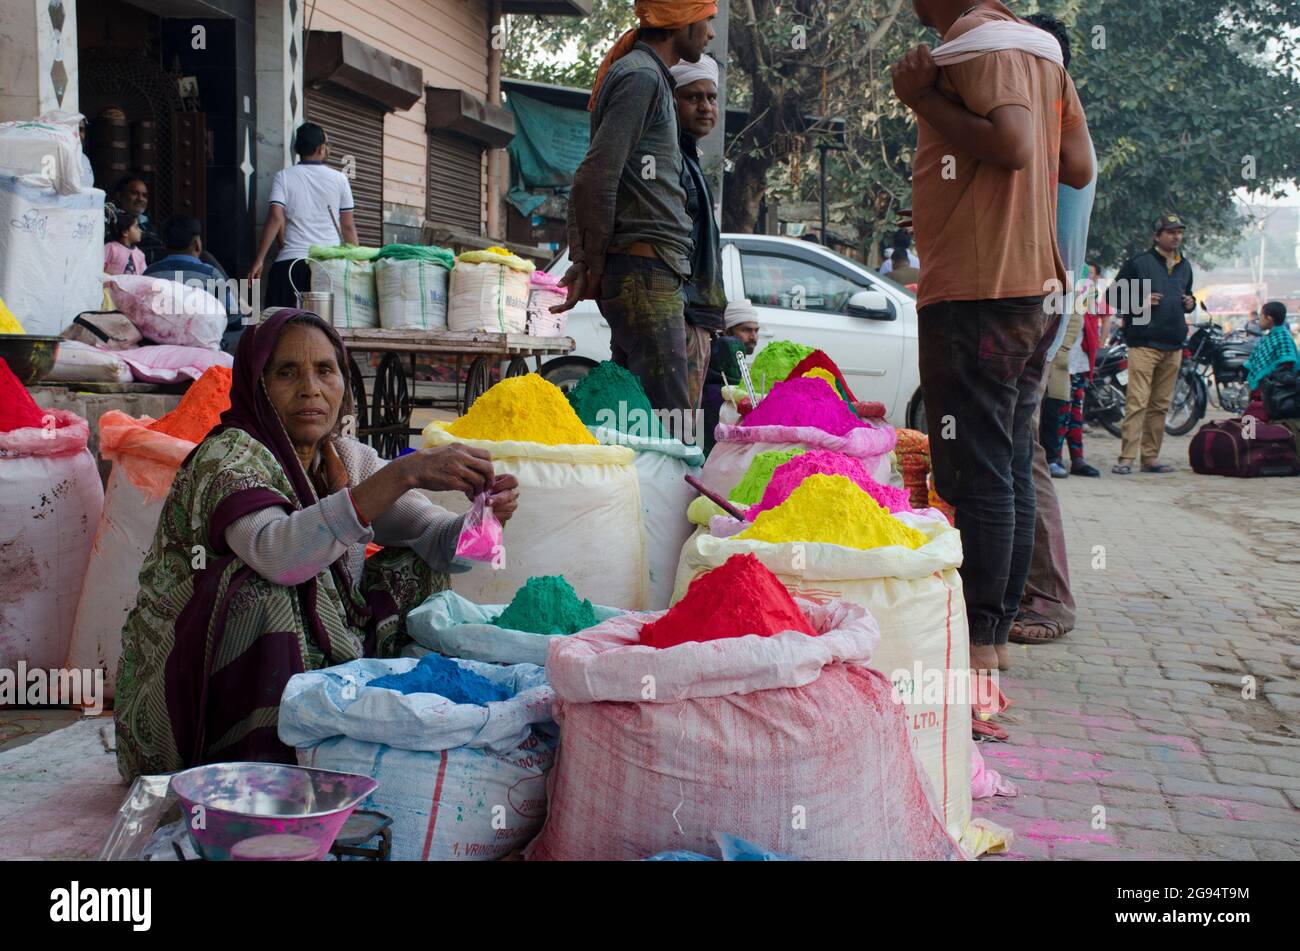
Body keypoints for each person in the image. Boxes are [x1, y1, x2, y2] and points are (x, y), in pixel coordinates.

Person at [113, 309, 520, 780]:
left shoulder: (345, 459)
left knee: (416, 566)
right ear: (256, 383)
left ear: (343, 383)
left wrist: (484, 518)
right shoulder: (228, 456)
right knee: (262, 592)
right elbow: (278, 555)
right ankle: (258, 770)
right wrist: (404, 471)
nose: (311, 388)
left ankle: (361, 736)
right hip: (187, 695)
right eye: (287, 372)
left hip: (307, 662)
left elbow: (440, 545)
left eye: (325, 370)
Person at [892, 0, 1093, 672]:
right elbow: (1078, 164)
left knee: (976, 472)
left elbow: (1012, 145)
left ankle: (980, 646)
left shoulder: (977, 44)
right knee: (1005, 463)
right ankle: (994, 638)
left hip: (980, 289)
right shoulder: (1040, 50)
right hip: (1035, 288)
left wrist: (924, 98)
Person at [554, 0, 717, 430]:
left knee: (635, 418)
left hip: (651, 270)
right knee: (673, 423)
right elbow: (595, 175)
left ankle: (636, 497)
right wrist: (588, 261)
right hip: (644, 273)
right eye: (707, 20)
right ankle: (678, 496)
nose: (711, 33)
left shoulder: (648, 76)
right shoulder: (642, 76)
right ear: (681, 19)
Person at [1010, 10, 1096, 648]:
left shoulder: (1055, 126)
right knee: (1014, 448)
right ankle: (1027, 588)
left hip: (1034, 305)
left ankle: (1047, 594)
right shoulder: (1055, 123)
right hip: (1038, 302)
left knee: (1021, 450)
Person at [1106, 214, 1196, 474]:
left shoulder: (1185, 266)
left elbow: (1186, 297)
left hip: (1174, 344)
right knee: (1137, 401)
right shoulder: (1138, 263)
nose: (1176, 236)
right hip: (1144, 342)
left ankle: (1150, 458)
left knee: (1160, 405)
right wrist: (1140, 303)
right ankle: (1126, 459)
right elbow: (1112, 295)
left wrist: (1188, 303)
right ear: (1157, 236)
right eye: (1170, 232)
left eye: (1179, 232)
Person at [248, 123, 359, 308]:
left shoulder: (283, 176)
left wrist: (259, 260)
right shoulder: (340, 179)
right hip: (327, 267)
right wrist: (358, 262)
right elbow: (347, 226)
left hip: (290, 266)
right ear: (321, 148)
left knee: (280, 329)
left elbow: (276, 217)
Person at [671, 53, 727, 414]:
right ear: (671, 102)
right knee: (677, 424)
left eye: (711, 97)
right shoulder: (672, 160)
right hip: (684, 313)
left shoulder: (690, 159)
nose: (705, 107)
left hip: (697, 316)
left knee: (685, 419)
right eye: (693, 98)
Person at [145, 216, 243, 353]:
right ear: (197, 244)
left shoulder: (150, 273)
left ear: (164, 245)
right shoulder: (211, 274)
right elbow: (235, 320)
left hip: (158, 347)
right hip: (202, 349)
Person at [701, 299, 759, 453]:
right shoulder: (714, 390)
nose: (753, 337)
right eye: (746, 330)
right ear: (726, 332)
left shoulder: (741, 376)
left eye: (756, 330)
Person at [1245, 301, 1298, 394]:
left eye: (1261, 316)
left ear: (1269, 318)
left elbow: (1286, 364)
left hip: (1273, 391)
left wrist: (1268, 380)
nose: (1259, 319)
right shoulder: (1271, 336)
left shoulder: (1282, 337)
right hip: (1266, 388)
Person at [111, 175, 165, 265]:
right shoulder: (111, 222)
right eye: (134, 193)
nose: (140, 199)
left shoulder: (149, 226)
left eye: (144, 195)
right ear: (119, 195)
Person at [103, 209, 146, 275]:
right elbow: (99, 267)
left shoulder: (140, 254)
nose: (140, 231)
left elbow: (143, 275)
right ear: (125, 232)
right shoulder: (111, 248)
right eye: (136, 227)